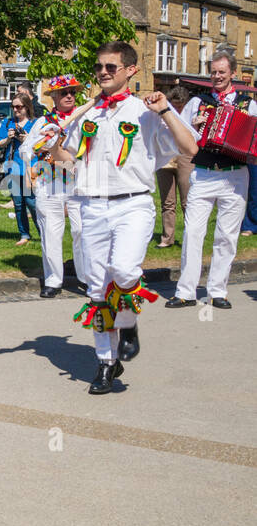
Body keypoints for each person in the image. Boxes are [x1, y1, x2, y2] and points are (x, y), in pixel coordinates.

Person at [48, 41, 197, 394]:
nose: (102, 72)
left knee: (126, 270)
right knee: (97, 288)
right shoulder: (86, 113)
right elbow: (64, 159)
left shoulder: (144, 111)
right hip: (90, 204)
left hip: (132, 203)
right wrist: (54, 142)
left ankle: (128, 324)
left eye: (110, 67)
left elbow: (189, 148)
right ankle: (105, 362)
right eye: (99, 67)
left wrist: (165, 112)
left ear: (130, 70)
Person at [165, 51, 257, 309]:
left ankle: (218, 290)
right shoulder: (198, 102)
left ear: (233, 74)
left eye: (221, 72)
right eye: (213, 72)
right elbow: (181, 137)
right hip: (203, 173)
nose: (216, 76)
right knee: (193, 232)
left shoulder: (248, 104)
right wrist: (193, 125)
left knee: (227, 236)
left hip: (235, 174)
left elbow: (253, 138)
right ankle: (185, 291)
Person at [22, 75, 87, 298]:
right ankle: (53, 280)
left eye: (72, 92)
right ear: (54, 97)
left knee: (82, 231)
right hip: (49, 182)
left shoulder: (85, 118)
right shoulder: (43, 122)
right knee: (51, 232)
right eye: (63, 93)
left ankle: (86, 278)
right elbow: (26, 149)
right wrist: (40, 152)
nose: (69, 96)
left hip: (79, 181)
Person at [153, 86, 193, 248]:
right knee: (167, 201)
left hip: (184, 157)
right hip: (165, 157)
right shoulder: (162, 112)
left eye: (180, 106)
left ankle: (190, 237)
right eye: (174, 105)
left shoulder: (190, 113)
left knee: (187, 200)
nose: (177, 108)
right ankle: (167, 238)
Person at [0, 94, 37, 244]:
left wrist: (27, 139)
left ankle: (43, 232)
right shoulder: (7, 123)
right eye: (13, 106)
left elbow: (42, 144)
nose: (15, 109)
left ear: (26, 107)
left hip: (29, 167)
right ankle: (24, 235)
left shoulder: (35, 123)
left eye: (18, 106)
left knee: (32, 203)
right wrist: (8, 139)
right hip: (12, 167)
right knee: (18, 204)